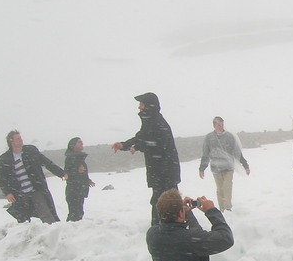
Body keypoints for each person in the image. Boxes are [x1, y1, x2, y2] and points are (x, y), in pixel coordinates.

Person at [112, 92, 181, 225]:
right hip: (159, 171)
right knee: (167, 202)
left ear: (149, 106)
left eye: (141, 104)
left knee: (165, 202)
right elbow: (141, 137)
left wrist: (138, 146)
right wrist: (123, 145)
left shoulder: (159, 123)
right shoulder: (150, 122)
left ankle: (161, 229)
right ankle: (167, 228)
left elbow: (158, 144)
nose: (139, 107)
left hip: (165, 171)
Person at [0, 130, 67, 224]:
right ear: (11, 142)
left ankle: (53, 233)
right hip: (19, 194)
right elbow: (3, 178)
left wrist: (61, 173)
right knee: (24, 220)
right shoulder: (5, 158)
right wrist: (7, 193)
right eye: (18, 139)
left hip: (36, 189)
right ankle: (28, 236)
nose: (21, 140)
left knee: (46, 215)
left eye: (21, 138)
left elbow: (46, 162)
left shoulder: (31, 150)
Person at [198, 116, 250, 212]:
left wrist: (245, 165)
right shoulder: (209, 138)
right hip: (216, 168)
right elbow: (205, 154)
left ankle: (228, 208)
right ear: (214, 126)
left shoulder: (229, 136)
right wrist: (202, 168)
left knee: (227, 187)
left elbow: (237, 152)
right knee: (220, 189)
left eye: (222, 124)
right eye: (218, 125)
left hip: (228, 167)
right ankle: (222, 209)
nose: (221, 127)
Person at [63, 137, 95, 222]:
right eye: (79, 142)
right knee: (74, 214)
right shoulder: (70, 158)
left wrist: (88, 180)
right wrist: (77, 171)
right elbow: (66, 174)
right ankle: (69, 230)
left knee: (79, 212)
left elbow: (82, 174)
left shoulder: (79, 158)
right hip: (73, 191)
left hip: (79, 189)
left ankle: (73, 230)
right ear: (73, 145)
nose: (82, 143)